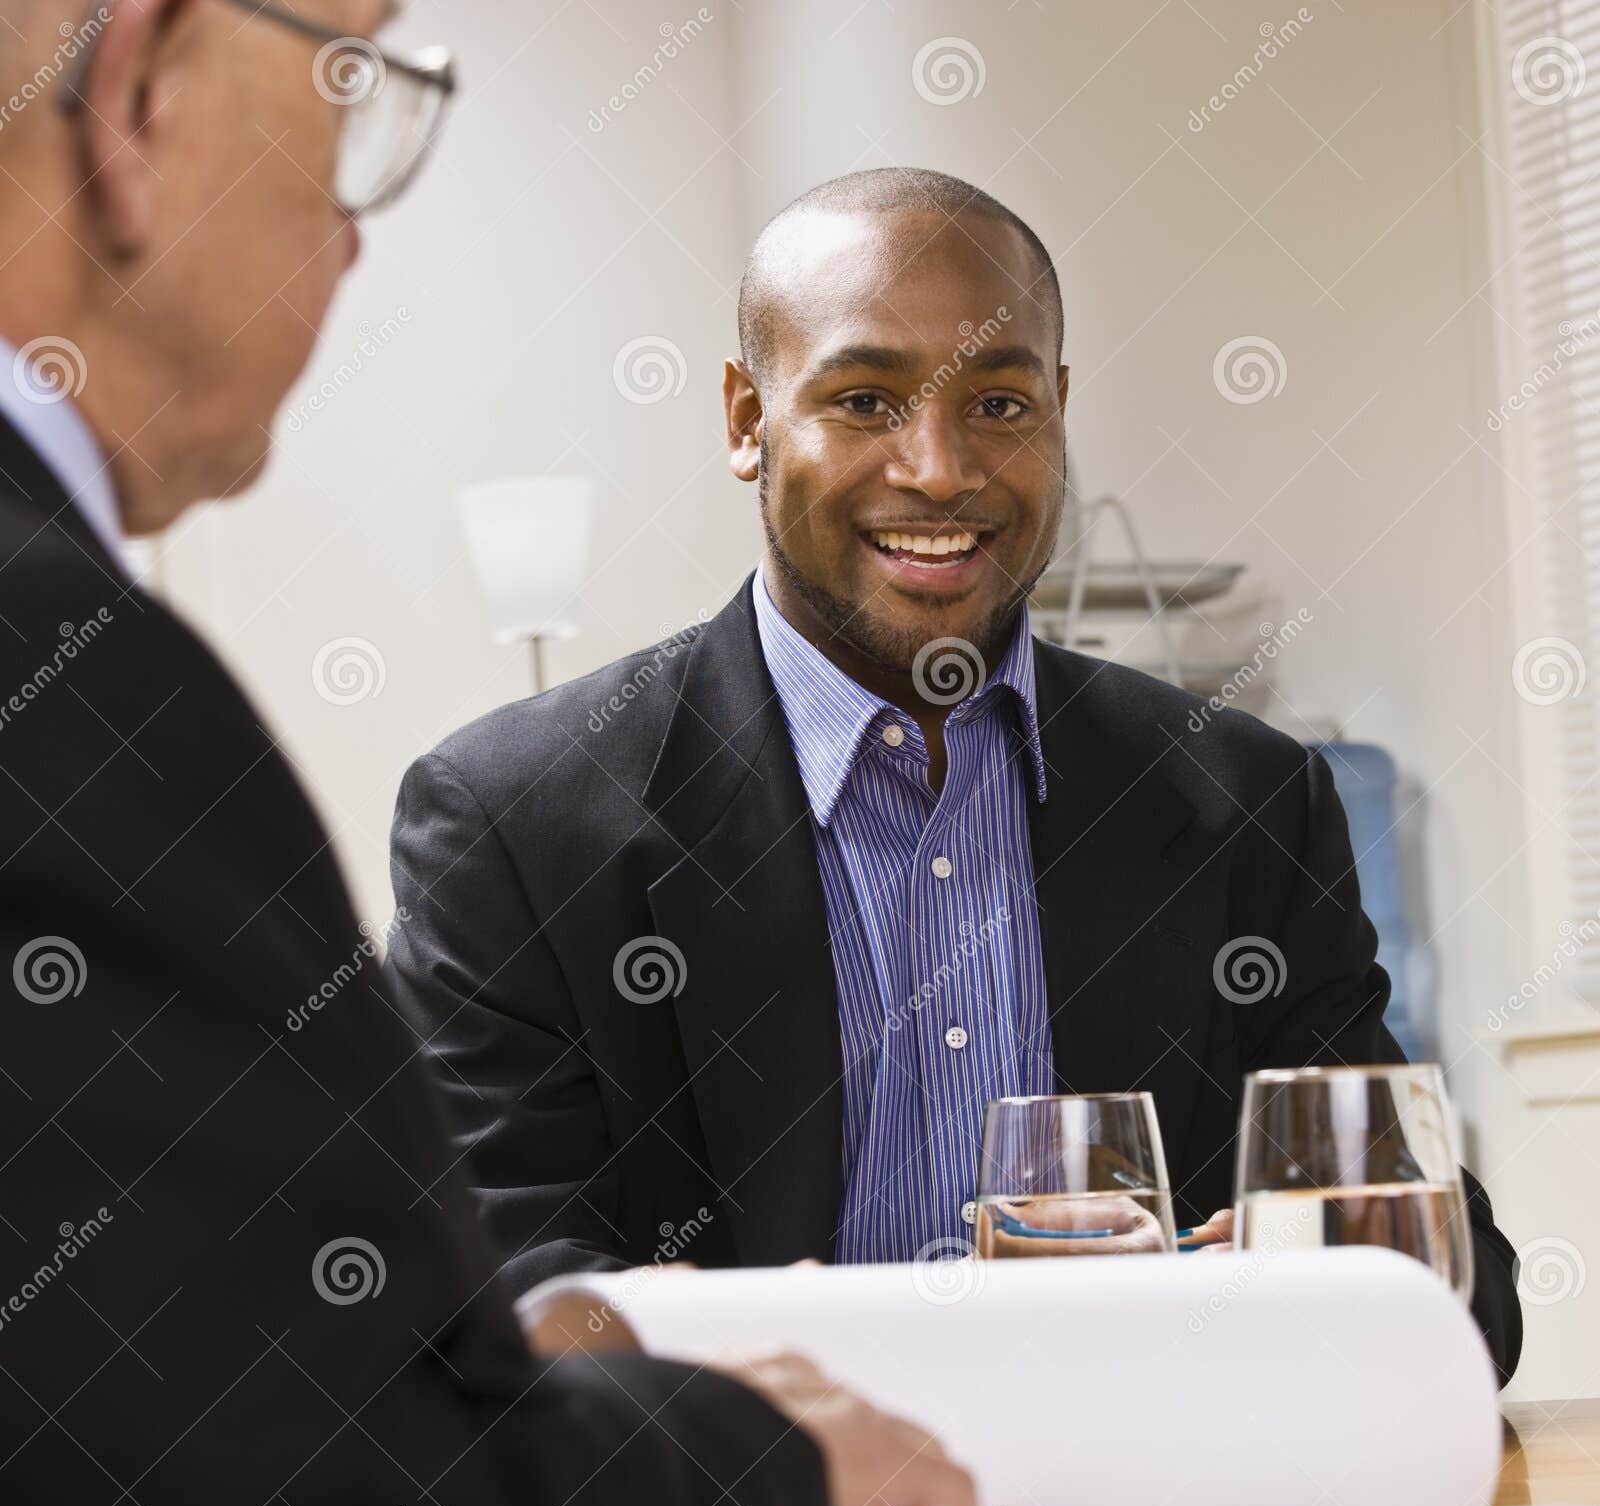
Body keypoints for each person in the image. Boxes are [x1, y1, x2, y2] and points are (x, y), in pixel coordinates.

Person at [0, 1, 980, 1506]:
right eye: (349, 100)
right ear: (136, 96)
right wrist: (762, 1463)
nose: (352, 237)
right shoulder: (64, 671)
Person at [388, 167, 1524, 1385]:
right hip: (756, 1502)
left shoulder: (1247, 800)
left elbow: (1461, 1297)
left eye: (997, 403)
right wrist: (792, 1361)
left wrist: (1279, 1284)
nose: (938, 469)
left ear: (1058, 413)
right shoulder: (515, 822)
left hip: (1148, 1487)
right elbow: (482, 1303)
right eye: (864, 399)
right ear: (745, 418)